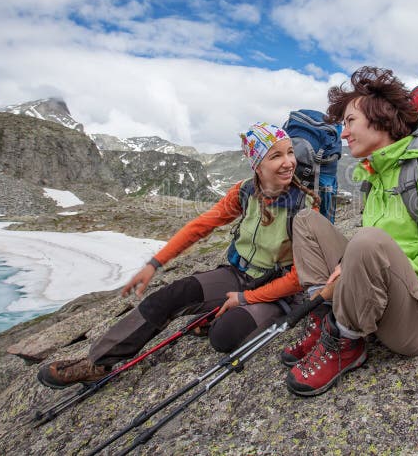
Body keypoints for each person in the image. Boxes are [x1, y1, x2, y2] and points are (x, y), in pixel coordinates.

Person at [37, 122, 322, 389]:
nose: (289, 162)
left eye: (289, 153)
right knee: (169, 296)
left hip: (278, 294)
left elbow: (298, 278)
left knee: (223, 336)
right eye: (276, 156)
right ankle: (97, 362)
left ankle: (227, 315)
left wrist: (246, 298)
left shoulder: (303, 207)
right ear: (257, 165)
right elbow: (201, 226)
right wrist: (155, 263)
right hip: (238, 274)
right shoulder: (246, 192)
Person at [280, 66, 418, 397]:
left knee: (367, 241)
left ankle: (346, 341)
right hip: (380, 295)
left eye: (350, 121)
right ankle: (324, 319)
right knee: (307, 220)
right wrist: (352, 268)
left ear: (380, 117)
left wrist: (364, 267)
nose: (343, 133)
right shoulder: (377, 177)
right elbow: (371, 253)